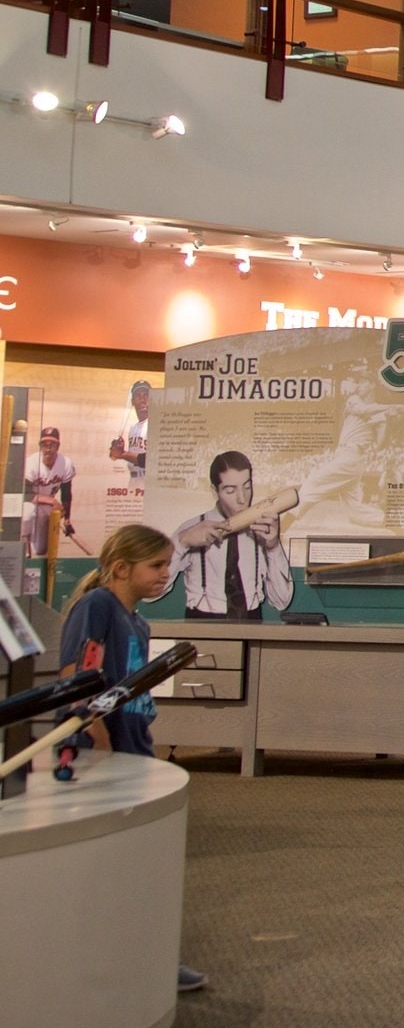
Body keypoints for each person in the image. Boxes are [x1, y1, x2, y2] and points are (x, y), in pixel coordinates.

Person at [57, 525, 208, 994]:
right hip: (103, 755)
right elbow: (77, 677)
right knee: (108, 869)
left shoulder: (137, 621)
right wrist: (97, 738)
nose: (166, 574)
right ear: (122, 567)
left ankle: (149, 955)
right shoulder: (97, 606)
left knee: (143, 866)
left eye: (168, 565)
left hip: (133, 748)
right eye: (156, 566)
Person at [172, 451, 293, 621]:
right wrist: (181, 542)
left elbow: (282, 601)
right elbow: (151, 596)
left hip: (250, 624)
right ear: (215, 491)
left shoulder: (263, 531)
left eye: (247, 487)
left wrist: (273, 547)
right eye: (230, 490)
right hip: (202, 626)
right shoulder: (191, 529)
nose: (242, 499)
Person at [24, 426, 76, 557]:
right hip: (30, 502)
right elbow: (25, 494)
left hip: (47, 506)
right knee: (27, 514)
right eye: (44, 444)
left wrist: (67, 520)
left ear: (58, 446)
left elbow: (66, 492)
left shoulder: (65, 463)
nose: (48, 448)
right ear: (40, 446)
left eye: (52, 444)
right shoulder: (31, 463)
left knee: (41, 549)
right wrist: (52, 500)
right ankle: (24, 547)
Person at [108, 379, 151, 483]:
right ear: (132, 401)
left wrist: (122, 454)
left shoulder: (156, 425)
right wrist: (117, 450)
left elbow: (149, 460)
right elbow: (131, 457)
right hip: (133, 481)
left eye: (146, 395)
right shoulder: (133, 428)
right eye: (138, 396)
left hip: (149, 483)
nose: (142, 399)